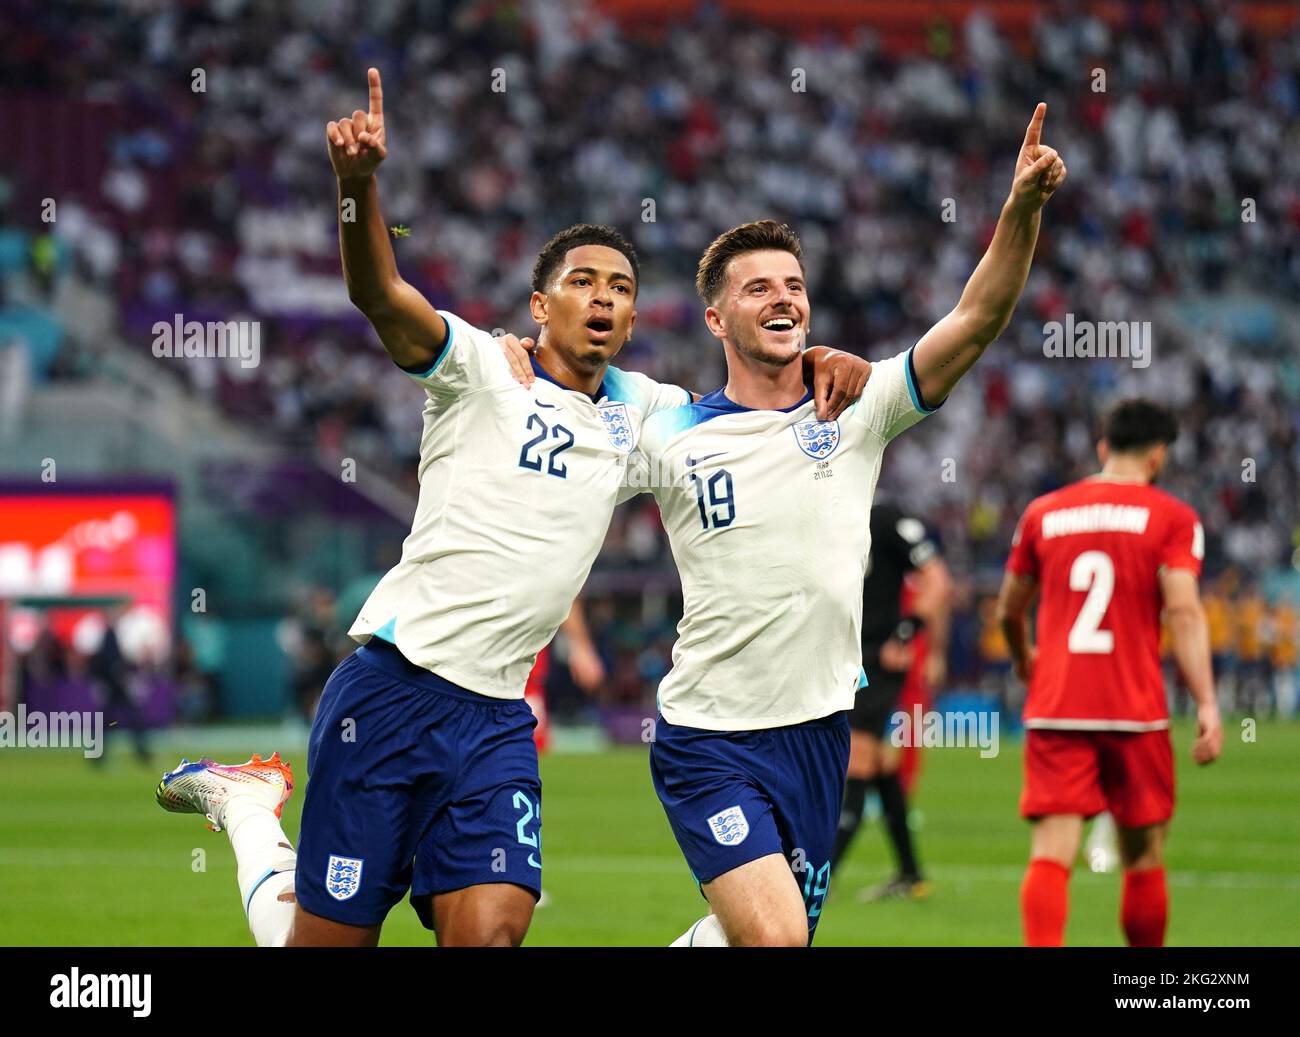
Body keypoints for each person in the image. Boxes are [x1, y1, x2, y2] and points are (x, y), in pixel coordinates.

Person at [154, 68, 870, 948]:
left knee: (491, 935)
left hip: (497, 718)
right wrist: (357, 185)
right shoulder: (480, 369)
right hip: (391, 689)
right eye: (583, 281)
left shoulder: (648, 411)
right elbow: (379, 295)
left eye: (620, 286)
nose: (604, 295)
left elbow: (751, 408)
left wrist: (821, 359)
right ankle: (249, 810)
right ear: (540, 306)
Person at [631, 102, 1066, 947]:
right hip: (708, 736)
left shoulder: (856, 408)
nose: (782, 297)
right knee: (777, 937)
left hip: (821, 734)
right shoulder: (671, 432)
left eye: (793, 284)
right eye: (757, 287)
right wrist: (513, 349)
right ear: (717, 320)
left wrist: (1021, 210)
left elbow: (974, 321)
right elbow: (569, 434)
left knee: (769, 939)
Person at [996, 398, 1224, 947]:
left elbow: (1007, 608)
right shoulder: (1172, 518)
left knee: (1052, 854)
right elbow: (1185, 611)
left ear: (1103, 448)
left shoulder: (1043, 513)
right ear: (1159, 455)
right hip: (1135, 711)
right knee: (1143, 856)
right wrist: (1209, 704)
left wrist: (1024, 656)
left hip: (1058, 705)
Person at [830, 500, 952, 901]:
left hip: (877, 660)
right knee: (882, 766)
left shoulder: (885, 517)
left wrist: (905, 634)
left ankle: (817, 884)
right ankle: (911, 874)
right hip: (846, 655)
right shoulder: (832, 510)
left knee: (857, 762)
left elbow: (937, 580)